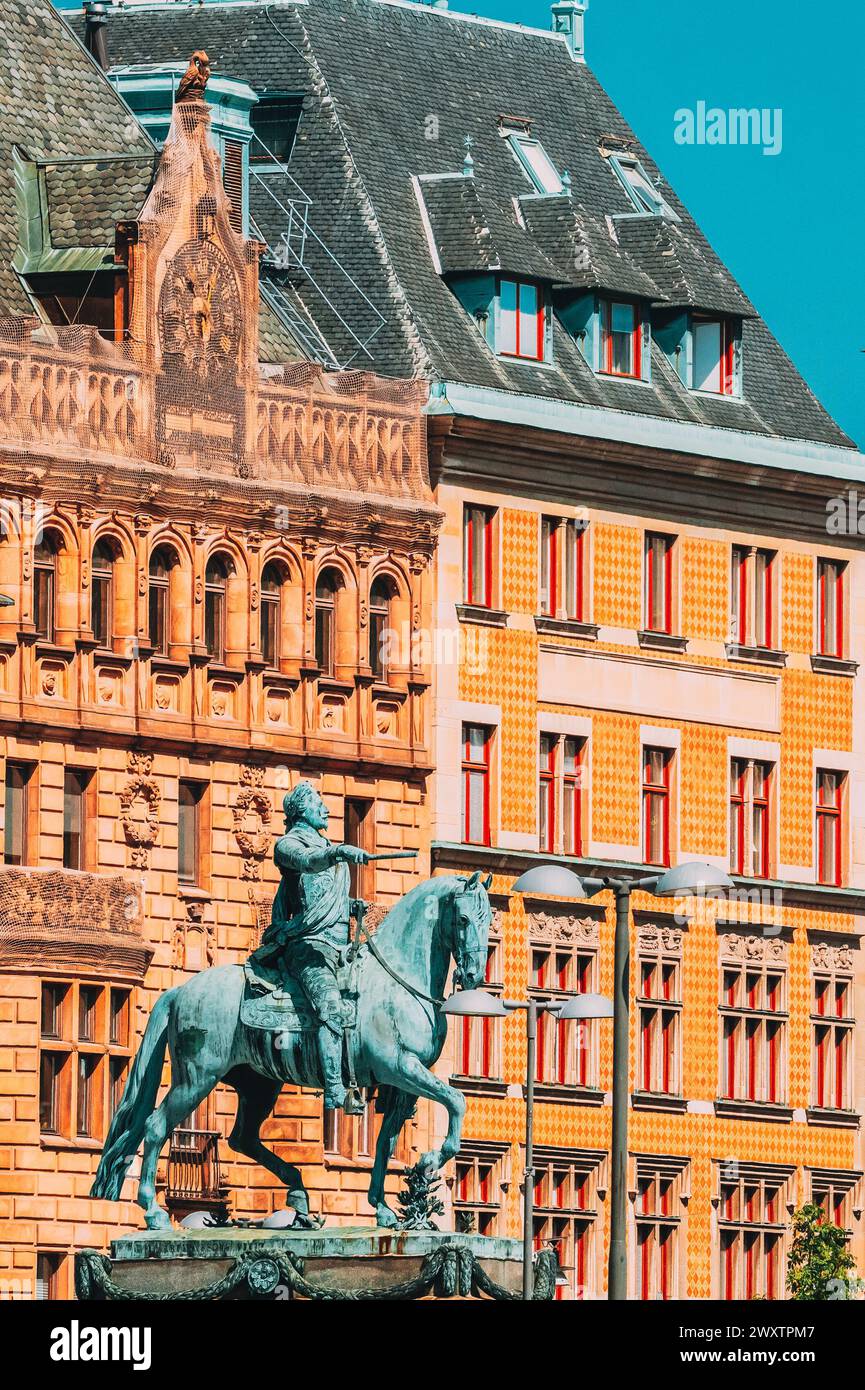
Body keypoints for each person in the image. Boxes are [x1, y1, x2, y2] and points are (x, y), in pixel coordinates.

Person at [248, 781, 368, 1112]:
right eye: (320, 803)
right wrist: (339, 852)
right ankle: (333, 1088)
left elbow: (325, 896)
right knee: (329, 1005)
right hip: (307, 947)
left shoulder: (324, 844)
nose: (326, 809)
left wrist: (350, 906)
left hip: (339, 948)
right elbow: (309, 863)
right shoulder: (288, 845)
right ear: (302, 810)